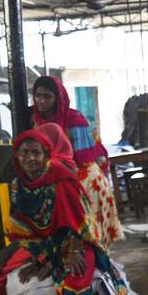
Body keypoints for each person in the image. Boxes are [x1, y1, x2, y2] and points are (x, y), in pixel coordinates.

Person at [9, 125, 129, 295]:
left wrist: (71, 253)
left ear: (46, 154)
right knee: (17, 278)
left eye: (36, 153)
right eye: (24, 153)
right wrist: (41, 259)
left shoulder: (61, 179)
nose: (30, 158)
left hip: (75, 240)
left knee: (75, 282)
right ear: (17, 156)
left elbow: (79, 221)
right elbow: (20, 226)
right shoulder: (17, 185)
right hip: (46, 244)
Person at [31, 76, 123, 248]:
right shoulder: (36, 121)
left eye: (47, 96)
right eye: (38, 95)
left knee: (91, 236)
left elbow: (80, 160)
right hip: (60, 179)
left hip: (84, 180)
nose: (41, 101)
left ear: (58, 98)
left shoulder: (74, 119)